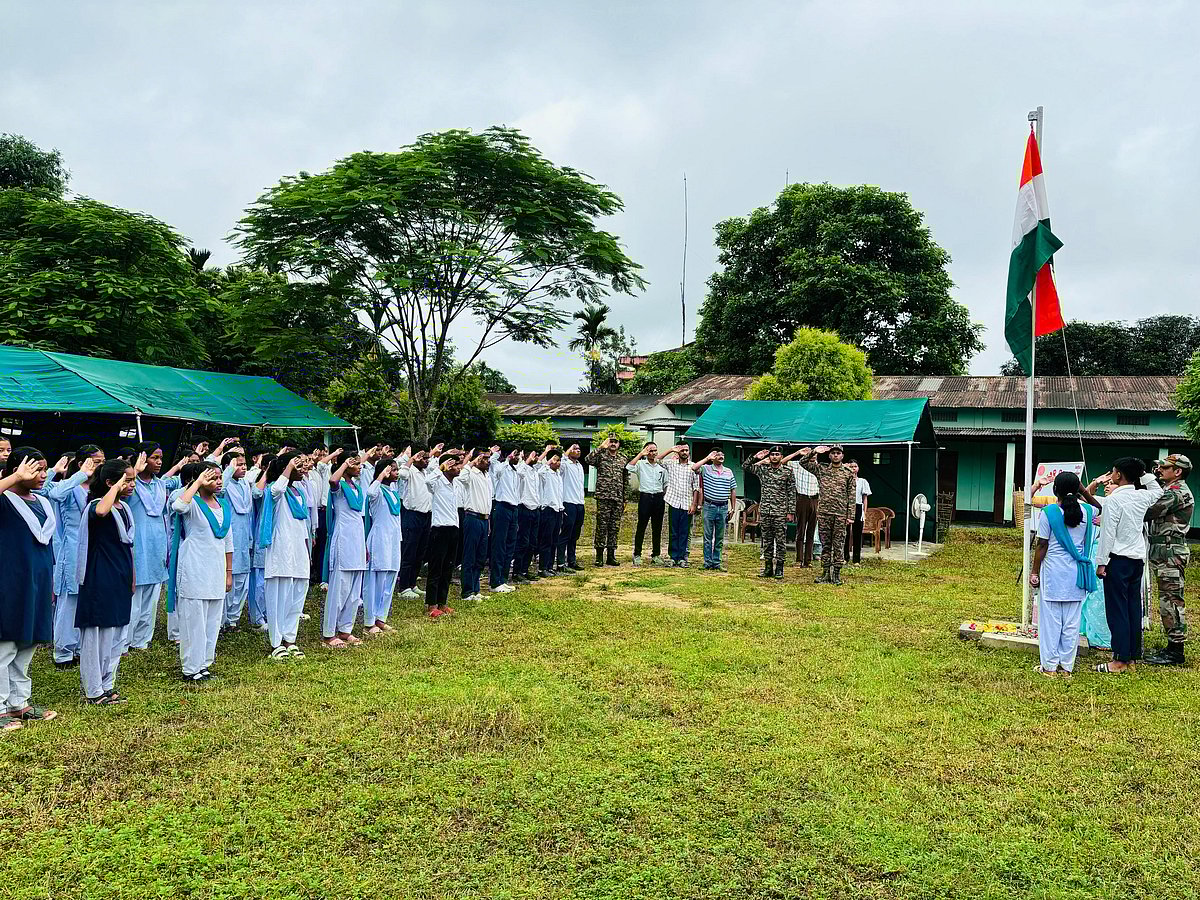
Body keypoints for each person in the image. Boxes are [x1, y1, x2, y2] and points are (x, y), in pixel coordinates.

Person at [0, 448, 59, 729]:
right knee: (5, 645)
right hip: (9, 580)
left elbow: (47, 546)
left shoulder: (43, 503)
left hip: (37, 581)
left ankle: (18, 704)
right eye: (35, 469)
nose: (42, 475)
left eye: (44, 469)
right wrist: (13, 477)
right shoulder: (5, 499)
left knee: (27, 643)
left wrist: (49, 583)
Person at [1091, 457, 1164, 674]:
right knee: (1133, 608)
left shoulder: (1114, 500)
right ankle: (1132, 657)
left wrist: (1101, 562)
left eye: (1113, 472)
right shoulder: (1143, 496)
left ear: (1118, 475)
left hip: (1118, 558)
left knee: (1117, 610)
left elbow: (1108, 534)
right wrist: (1142, 473)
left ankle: (1119, 660)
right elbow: (1157, 490)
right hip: (1137, 560)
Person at [74, 458, 137, 706]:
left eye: (132, 480)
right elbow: (101, 511)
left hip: (120, 574)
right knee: (96, 633)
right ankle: (93, 689)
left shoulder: (125, 509)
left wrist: (132, 577)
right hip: (99, 575)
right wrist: (114, 487)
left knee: (116, 633)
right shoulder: (96, 506)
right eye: (127, 480)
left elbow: (129, 547)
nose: (131, 484)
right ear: (111, 482)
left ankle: (107, 683)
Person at [1029, 471, 1100, 676]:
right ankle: (1066, 668)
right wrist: (1084, 491)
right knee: (1071, 624)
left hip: (1053, 574)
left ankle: (1049, 667)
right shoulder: (1087, 511)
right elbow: (1100, 508)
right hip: (1077, 575)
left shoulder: (1049, 513)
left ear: (1055, 490)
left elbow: (1042, 545)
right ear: (1077, 489)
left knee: (1051, 622)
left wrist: (1034, 572)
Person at [169, 463, 233, 683]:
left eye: (219, 477)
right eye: (212, 477)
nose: (217, 481)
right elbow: (178, 506)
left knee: (212, 620)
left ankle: (204, 664)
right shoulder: (192, 503)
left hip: (216, 568)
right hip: (194, 569)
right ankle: (190, 668)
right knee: (193, 620)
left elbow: (228, 542)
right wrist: (197, 483)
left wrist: (228, 572)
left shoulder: (223, 505)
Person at [46, 446, 103, 668]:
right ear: (82, 464)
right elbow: (55, 493)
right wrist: (79, 475)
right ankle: (63, 652)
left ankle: (80, 647)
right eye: (95, 462)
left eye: (101, 461)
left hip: (93, 550)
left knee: (86, 599)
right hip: (71, 550)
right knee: (69, 601)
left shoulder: (97, 489)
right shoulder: (70, 487)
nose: (99, 466)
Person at [126, 442, 184, 652]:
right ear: (143, 459)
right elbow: (118, 490)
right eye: (154, 458)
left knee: (151, 599)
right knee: (134, 598)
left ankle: (142, 640)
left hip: (157, 543)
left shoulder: (161, 485)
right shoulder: (130, 485)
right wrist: (135, 472)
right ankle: (125, 640)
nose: (159, 462)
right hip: (137, 545)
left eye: (160, 458)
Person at [259, 451, 311, 660]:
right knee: (278, 597)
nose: (303, 469)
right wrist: (289, 467)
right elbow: (278, 488)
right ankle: (276, 643)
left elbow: (304, 526)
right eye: (298, 465)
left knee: (296, 597)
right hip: (281, 551)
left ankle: (290, 639)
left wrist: (308, 550)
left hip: (299, 551)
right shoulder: (275, 489)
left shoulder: (300, 492)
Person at [1143, 454, 1194, 666]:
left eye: (1164, 467)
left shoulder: (1177, 492)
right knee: (1167, 599)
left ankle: (1175, 651)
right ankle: (1172, 645)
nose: (1160, 470)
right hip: (1163, 550)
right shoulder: (1168, 490)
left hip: (1170, 552)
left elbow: (1149, 511)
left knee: (1172, 600)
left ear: (1177, 471)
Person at [323, 451, 368, 649]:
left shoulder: (356, 487)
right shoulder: (339, 485)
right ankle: (329, 633)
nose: (359, 467)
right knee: (339, 589)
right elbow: (332, 480)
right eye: (355, 464)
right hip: (344, 538)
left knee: (354, 590)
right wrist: (342, 464)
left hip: (357, 538)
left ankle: (345, 629)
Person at [798, 445, 857, 585]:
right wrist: (814, 452)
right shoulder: (822, 469)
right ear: (829, 455)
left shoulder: (848, 473)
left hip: (840, 514)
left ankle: (836, 574)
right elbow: (803, 463)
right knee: (825, 545)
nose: (836, 455)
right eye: (833, 453)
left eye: (838, 453)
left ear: (842, 456)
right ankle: (825, 573)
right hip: (824, 513)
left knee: (838, 545)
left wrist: (851, 516)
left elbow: (852, 496)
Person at [747, 446, 804, 578]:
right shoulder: (763, 470)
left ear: (781, 457)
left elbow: (791, 492)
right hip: (766, 510)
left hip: (780, 511)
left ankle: (779, 568)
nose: (774, 457)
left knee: (780, 540)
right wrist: (757, 457)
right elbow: (746, 467)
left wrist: (790, 511)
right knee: (766, 540)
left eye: (777, 454)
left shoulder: (787, 471)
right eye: (772, 454)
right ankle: (768, 568)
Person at [364, 457, 403, 634]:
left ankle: (381, 618)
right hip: (379, 538)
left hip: (394, 539)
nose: (396, 473)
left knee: (390, 579)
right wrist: (380, 476)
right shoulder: (377, 490)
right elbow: (370, 493)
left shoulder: (393, 491)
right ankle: (369, 621)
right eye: (393, 470)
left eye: (396, 470)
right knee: (375, 581)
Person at [425, 452, 463, 618]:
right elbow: (428, 480)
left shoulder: (455, 484)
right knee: (436, 568)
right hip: (440, 529)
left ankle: (443, 602)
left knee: (448, 568)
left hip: (453, 528)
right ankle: (431, 604)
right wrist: (441, 468)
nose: (457, 468)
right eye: (453, 465)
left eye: (457, 464)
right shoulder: (438, 482)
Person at [397, 445, 437, 599]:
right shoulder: (410, 470)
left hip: (426, 516)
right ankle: (404, 587)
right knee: (409, 551)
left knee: (420, 552)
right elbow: (402, 473)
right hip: (412, 514)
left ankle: (413, 583)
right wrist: (412, 459)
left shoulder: (426, 472)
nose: (426, 460)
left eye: (427, 457)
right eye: (423, 458)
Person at [220, 449, 254, 632]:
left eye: (244, 464)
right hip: (230, 535)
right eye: (238, 464)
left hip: (244, 536)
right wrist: (227, 472)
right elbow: (220, 490)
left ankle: (233, 619)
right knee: (228, 579)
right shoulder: (223, 486)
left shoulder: (244, 485)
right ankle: (222, 619)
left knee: (241, 581)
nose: (243, 468)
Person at [586, 435, 631, 567]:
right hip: (604, 497)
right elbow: (588, 460)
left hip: (618, 497)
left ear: (619, 444)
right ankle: (599, 556)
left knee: (614, 527)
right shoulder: (601, 455)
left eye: (615, 442)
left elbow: (625, 479)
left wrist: (625, 498)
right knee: (602, 526)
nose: (613, 444)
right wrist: (600, 447)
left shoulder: (623, 458)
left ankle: (611, 555)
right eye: (611, 441)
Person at [691, 449, 737, 571]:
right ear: (712, 457)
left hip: (723, 507)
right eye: (717, 455)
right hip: (709, 506)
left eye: (722, 454)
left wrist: (732, 508)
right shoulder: (706, 469)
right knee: (707, 536)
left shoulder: (728, 471)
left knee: (719, 537)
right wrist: (707, 458)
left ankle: (717, 562)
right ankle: (707, 562)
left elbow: (733, 490)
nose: (720, 456)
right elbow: (694, 468)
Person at [458, 450, 493, 602]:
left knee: (480, 556)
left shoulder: (487, 475)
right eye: (484, 458)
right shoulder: (470, 473)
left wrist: (489, 521)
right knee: (469, 556)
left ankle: (476, 588)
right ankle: (467, 591)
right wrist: (471, 461)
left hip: (484, 519)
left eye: (488, 458)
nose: (487, 461)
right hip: (472, 517)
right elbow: (461, 476)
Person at [513, 445, 549, 583]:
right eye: (533, 456)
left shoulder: (535, 471)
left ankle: (525, 570)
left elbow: (544, 469)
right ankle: (516, 572)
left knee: (532, 543)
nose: (536, 458)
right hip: (524, 509)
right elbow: (519, 473)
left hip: (535, 509)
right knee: (523, 542)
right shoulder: (522, 468)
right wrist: (526, 460)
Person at [627, 442, 667, 566]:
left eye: (655, 450)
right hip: (645, 497)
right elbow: (628, 467)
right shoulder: (640, 464)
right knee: (641, 526)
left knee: (657, 528)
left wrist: (662, 497)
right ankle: (637, 554)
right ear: (646, 452)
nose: (653, 453)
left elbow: (665, 484)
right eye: (650, 451)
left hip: (659, 497)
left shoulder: (661, 467)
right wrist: (640, 454)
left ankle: (656, 555)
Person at [489, 446, 522, 593]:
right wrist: (500, 455)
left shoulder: (515, 470)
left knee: (510, 545)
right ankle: (495, 581)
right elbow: (493, 464)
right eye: (517, 454)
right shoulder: (501, 469)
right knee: (499, 545)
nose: (519, 457)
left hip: (514, 509)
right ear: (510, 455)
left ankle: (503, 579)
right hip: (502, 507)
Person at [659, 445, 698, 568]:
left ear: (689, 452)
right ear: (678, 452)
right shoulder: (671, 464)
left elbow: (696, 487)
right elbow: (657, 460)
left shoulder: (693, 466)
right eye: (682, 450)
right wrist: (670, 449)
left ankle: (682, 558)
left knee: (684, 532)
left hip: (687, 503)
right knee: (674, 531)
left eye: (686, 450)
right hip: (674, 501)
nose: (684, 452)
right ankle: (673, 557)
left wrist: (694, 504)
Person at [557, 444, 586, 572]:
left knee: (575, 534)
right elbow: (562, 460)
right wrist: (567, 452)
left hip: (580, 503)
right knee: (565, 533)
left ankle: (572, 560)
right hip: (568, 502)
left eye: (579, 449)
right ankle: (560, 563)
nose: (577, 451)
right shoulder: (564, 464)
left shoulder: (579, 465)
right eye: (574, 449)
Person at [537, 449, 565, 577]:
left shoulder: (558, 474)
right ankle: (542, 568)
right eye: (555, 460)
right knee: (546, 540)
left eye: (559, 460)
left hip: (558, 509)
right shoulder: (545, 472)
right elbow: (540, 471)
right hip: (548, 509)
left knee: (554, 540)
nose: (557, 462)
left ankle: (549, 566)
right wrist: (548, 462)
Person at [789, 453, 820, 568]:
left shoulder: (819, 468)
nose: (813, 457)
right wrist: (798, 453)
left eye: (815, 455)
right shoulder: (797, 465)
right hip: (802, 499)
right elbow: (783, 462)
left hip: (815, 499)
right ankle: (799, 559)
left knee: (811, 532)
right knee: (800, 530)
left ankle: (808, 560)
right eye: (811, 455)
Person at [843, 460, 872, 565]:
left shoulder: (862, 481)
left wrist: (864, 512)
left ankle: (856, 559)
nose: (853, 468)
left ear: (858, 468)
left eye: (855, 466)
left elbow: (865, 498)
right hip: (846, 507)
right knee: (845, 534)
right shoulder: (844, 480)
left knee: (857, 534)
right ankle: (845, 558)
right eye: (851, 466)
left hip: (858, 506)